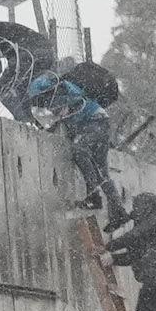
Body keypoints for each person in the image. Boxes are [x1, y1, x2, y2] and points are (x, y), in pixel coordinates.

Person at [26, 71, 131, 233]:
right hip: (100, 122)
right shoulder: (62, 88)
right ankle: (119, 212)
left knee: (79, 151)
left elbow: (63, 113)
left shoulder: (60, 90)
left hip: (94, 124)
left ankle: (94, 195)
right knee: (102, 171)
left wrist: (54, 118)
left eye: (40, 98)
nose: (42, 103)